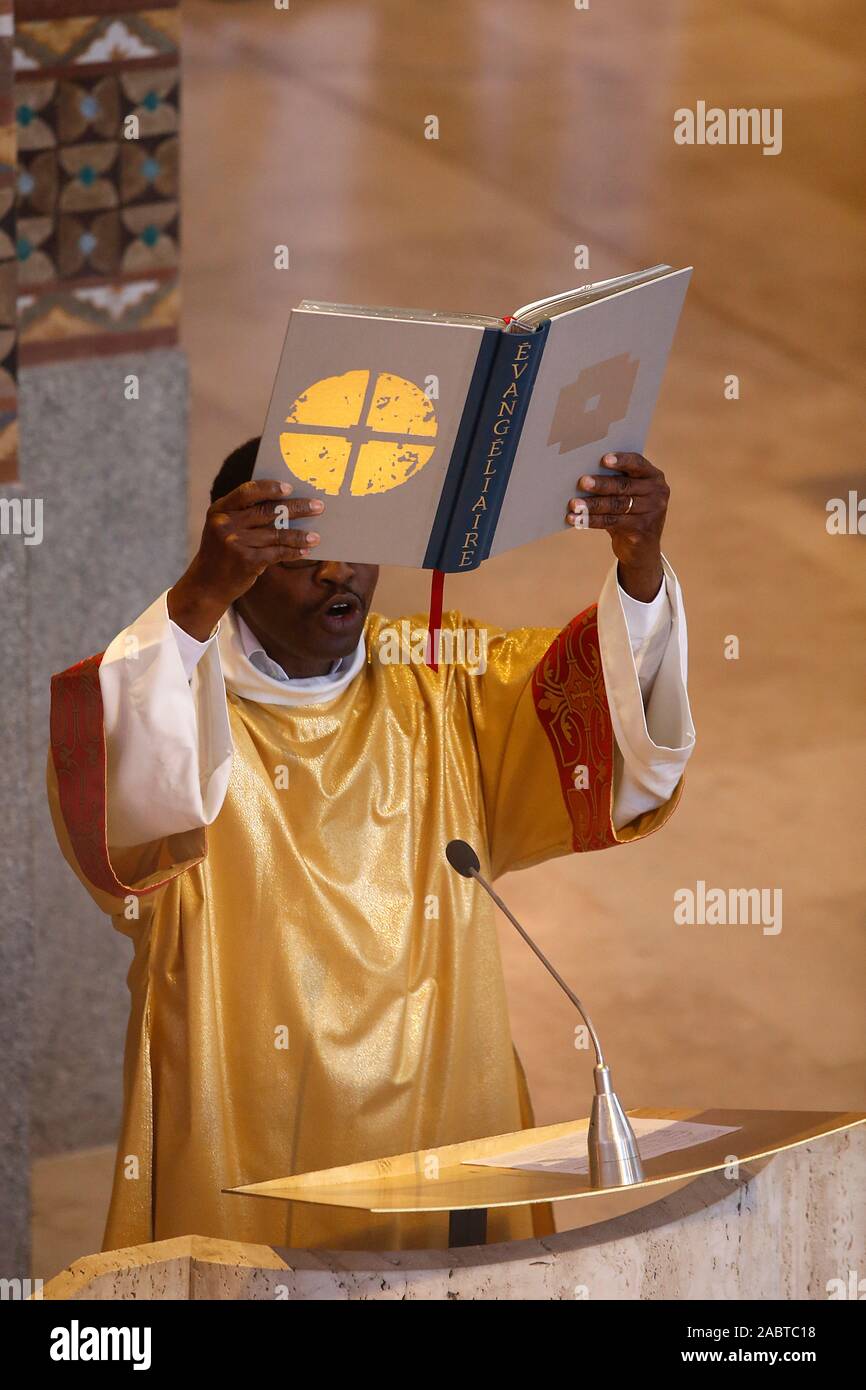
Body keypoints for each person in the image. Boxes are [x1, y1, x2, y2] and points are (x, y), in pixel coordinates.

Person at [48, 437, 695, 1251]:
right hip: (249, 1104)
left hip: (445, 1096)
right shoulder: (182, 710)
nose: (337, 572)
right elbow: (115, 806)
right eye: (298, 552)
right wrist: (196, 598)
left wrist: (640, 571)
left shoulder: (443, 684)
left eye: (359, 542)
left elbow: (616, 732)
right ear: (238, 567)